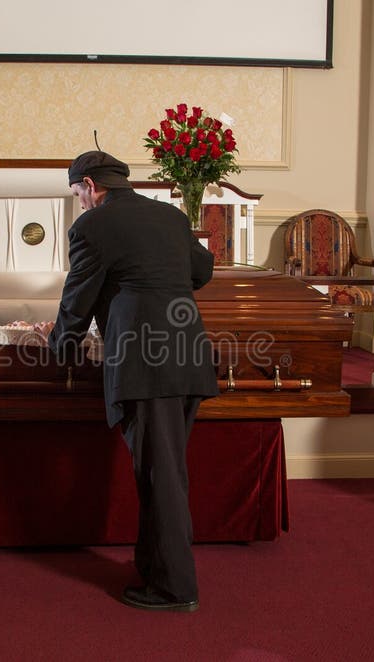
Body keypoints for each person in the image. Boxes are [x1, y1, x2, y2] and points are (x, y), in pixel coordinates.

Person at [42, 150, 218, 613]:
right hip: (189, 352)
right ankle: (155, 567)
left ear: (91, 185)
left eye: (77, 192)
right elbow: (203, 271)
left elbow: (77, 300)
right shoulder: (170, 216)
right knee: (167, 470)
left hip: (146, 361)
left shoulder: (92, 227)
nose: (79, 201)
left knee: (161, 477)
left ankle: (175, 589)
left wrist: (59, 346)